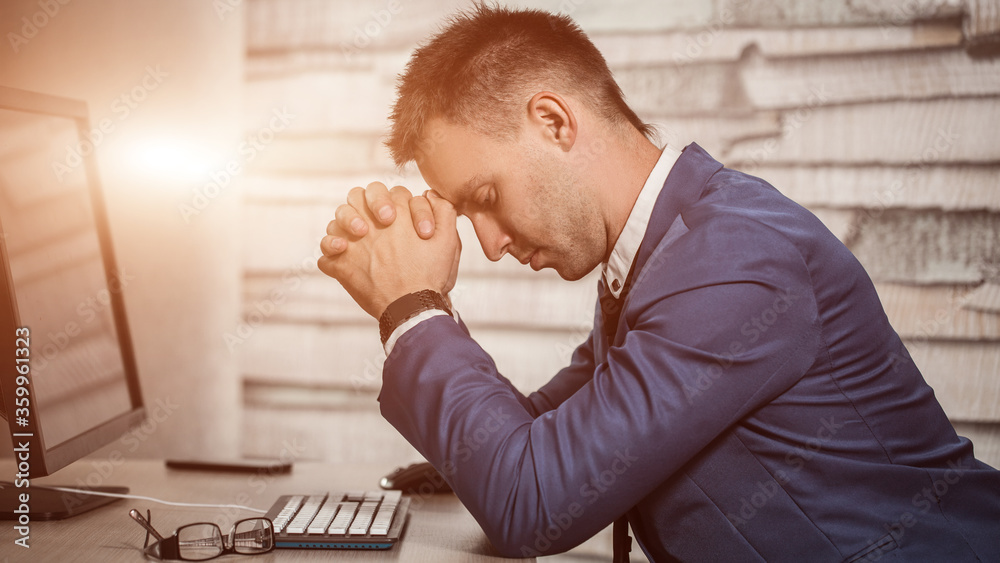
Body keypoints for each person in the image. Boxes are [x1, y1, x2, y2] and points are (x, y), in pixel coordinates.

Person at [317, 4, 1000, 561]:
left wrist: (413, 309)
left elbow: (532, 501)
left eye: (486, 194)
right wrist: (456, 439)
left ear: (553, 122)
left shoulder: (732, 260)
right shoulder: (657, 257)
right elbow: (543, 440)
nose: (489, 245)